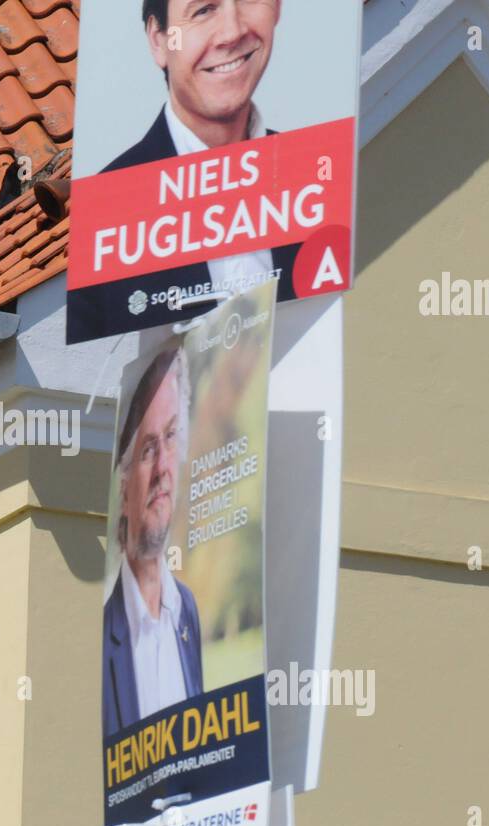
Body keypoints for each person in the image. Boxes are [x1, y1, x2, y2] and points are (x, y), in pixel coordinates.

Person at [68, 0, 300, 344]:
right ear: (158, 40)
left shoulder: (313, 173)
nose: (233, 32)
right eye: (204, 10)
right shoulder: (105, 213)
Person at [103, 348, 204, 736]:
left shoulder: (186, 612)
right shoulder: (106, 633)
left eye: (172, 436)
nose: (164, 467)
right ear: (124, 485)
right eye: (148, 450)